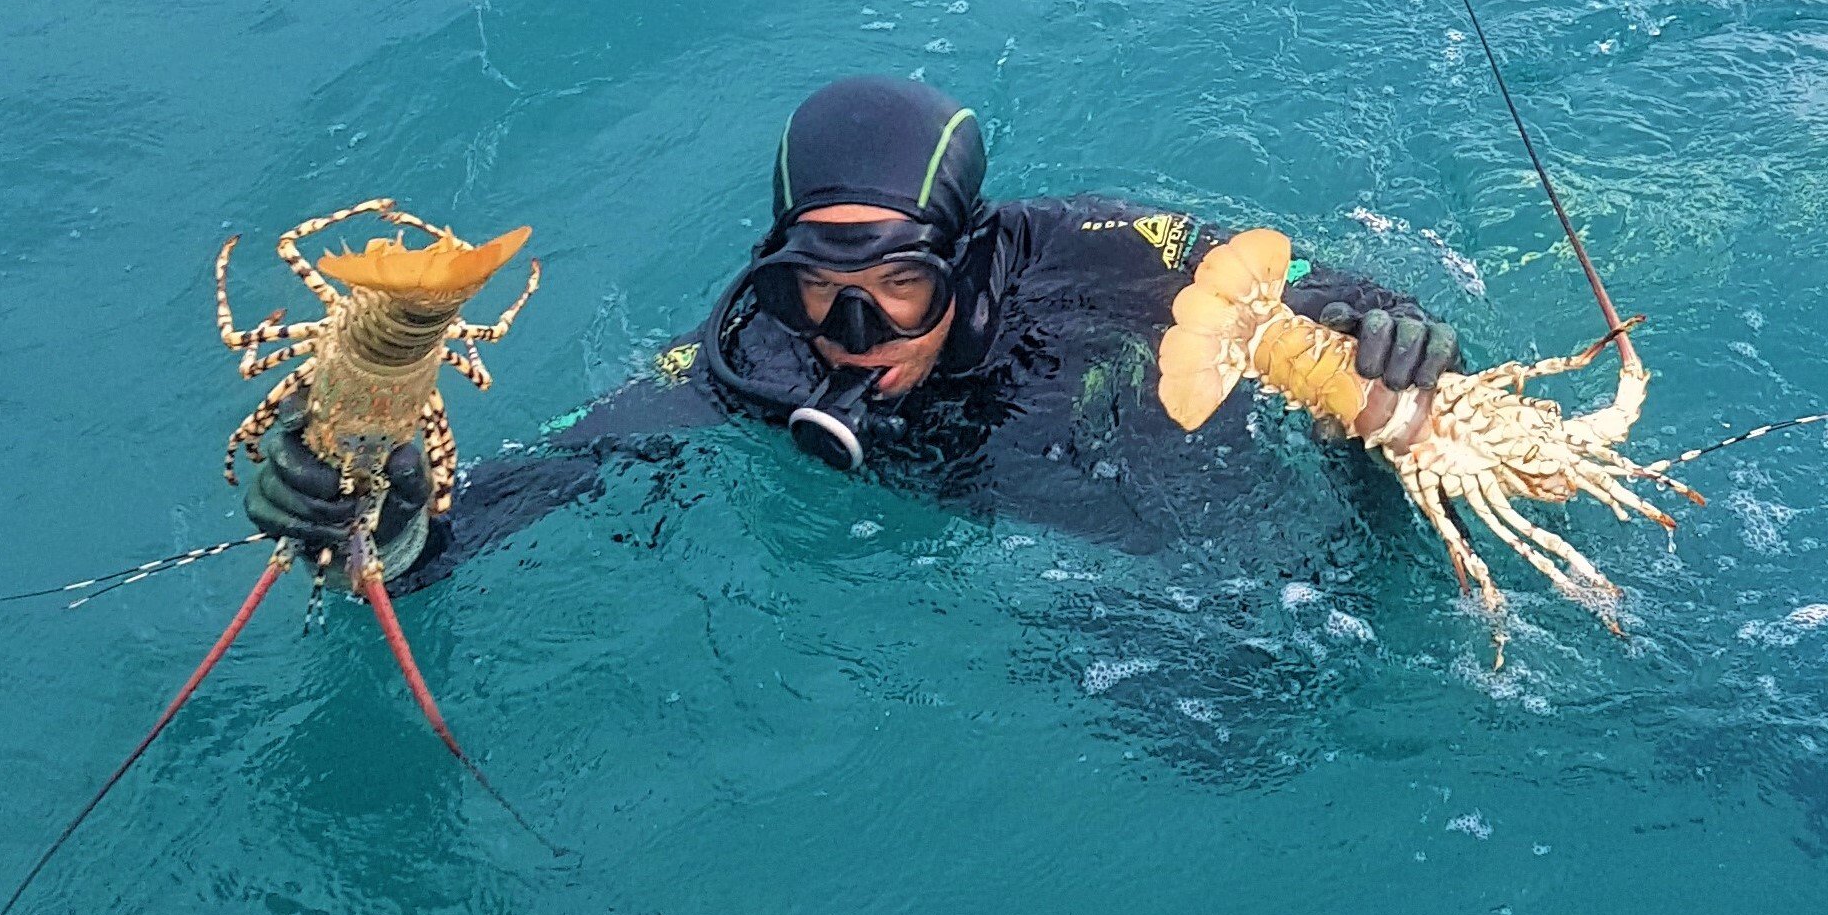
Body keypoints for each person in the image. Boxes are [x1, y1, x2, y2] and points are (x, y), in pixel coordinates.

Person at [245, 76, 1460, 590]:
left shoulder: (1079, 252)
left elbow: (1278, 273)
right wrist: (393, 519)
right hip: (1065, 569)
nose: (852, 334)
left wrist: (1375, 320)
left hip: (1168, 448)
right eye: (812, 293)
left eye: (897, 290)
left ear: (966, 259)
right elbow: (547, 477)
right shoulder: (747, 357)